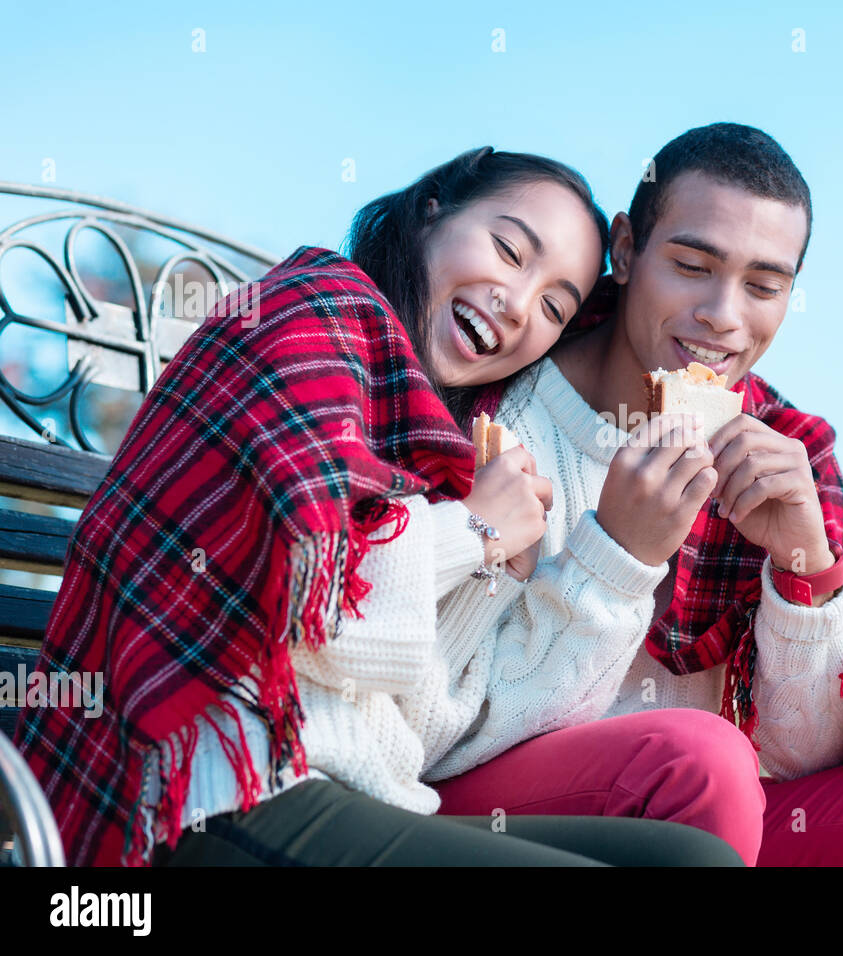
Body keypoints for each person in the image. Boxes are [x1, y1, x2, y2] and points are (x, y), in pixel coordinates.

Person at [10, 146, 742, 868]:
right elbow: (309, 603)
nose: (517, 305)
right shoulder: (310, 314)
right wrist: (474, 531)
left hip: (358, 790)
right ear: (432, 209)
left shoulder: (428, 443)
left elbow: (424, 729)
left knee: (691, 859)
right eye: (509, 250)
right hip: (213, 786)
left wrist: (562, 566)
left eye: (554, 305)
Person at [422, 124, 843, 867]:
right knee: (704, 759)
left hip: (713, 810)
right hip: (486, 811)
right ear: (625, 250)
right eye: (691, 265)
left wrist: (805, 569)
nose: (724, 314)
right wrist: (616, 554)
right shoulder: (495, 408)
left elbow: (806, 756)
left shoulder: (786, 447)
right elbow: (443, 721)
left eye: (764, 286)